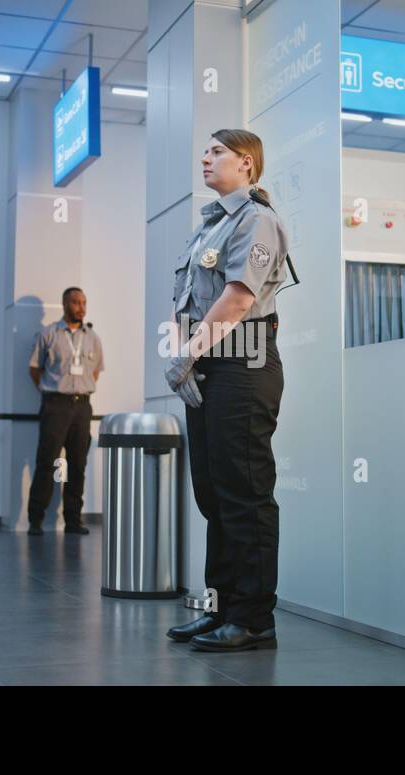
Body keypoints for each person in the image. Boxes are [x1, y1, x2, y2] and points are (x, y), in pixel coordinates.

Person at [163, 129, 292, 652]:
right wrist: (187, 359)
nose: (205, 158)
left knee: (245, 496)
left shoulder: (257, 219)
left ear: (246, 163)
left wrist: (185, 356)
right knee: (213, 496)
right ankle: (220, 609)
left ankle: (254, 619)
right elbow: (190, 301)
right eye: (206, 151)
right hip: (208, 366)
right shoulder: (209, 226)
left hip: (243, 363)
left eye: (216, 152)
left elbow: (238, 299)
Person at [26, 287, 103, 535]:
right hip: (55, 405)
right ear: (64, 304)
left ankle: (73, 520)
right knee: (46, 462)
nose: (81, 307)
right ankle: (35, 521)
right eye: (76, 302)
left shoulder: (92, 337)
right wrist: (51, 391)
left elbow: (95, 372)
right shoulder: (48, 334)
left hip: (82, 406)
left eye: (84, 302)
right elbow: (35, 369)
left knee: (77, 463)